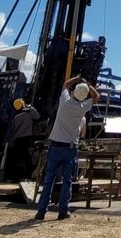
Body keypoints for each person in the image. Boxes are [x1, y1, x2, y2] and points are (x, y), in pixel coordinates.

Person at [34, 75, 98, 221]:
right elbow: (96, 96)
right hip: (70, 148)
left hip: (56, 146)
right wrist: (87, 84)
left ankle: (41, 211)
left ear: (74, 92)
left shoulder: (64, 102)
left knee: (49, 180)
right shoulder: (83, 108)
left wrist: (77, 78)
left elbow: (64, 84)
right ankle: (63, 211)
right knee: (67, 180)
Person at [6, 98, 40, 178]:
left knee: (18, 159)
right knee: (28, 158)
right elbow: (38, 116)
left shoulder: (15, 117)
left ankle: (15, 177)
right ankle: (26, 176)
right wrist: (31, 107)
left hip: (17, 140)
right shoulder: (28, 114)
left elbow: (12, 130)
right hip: (27, 139)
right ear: (23, 105)